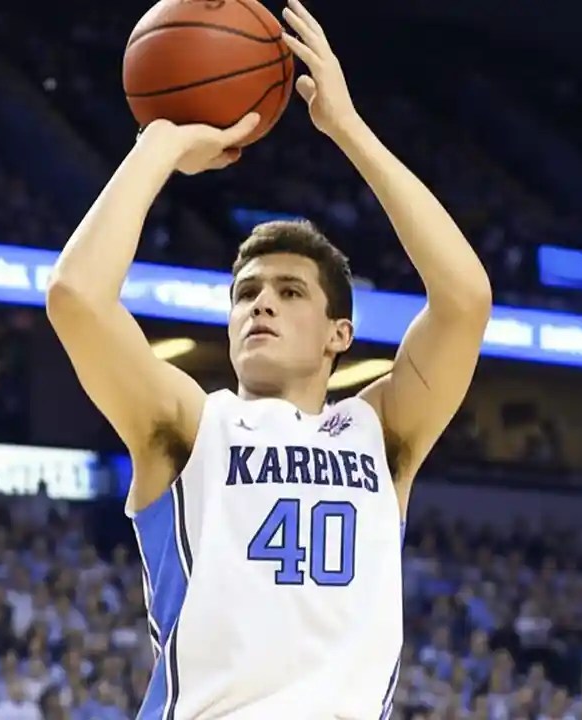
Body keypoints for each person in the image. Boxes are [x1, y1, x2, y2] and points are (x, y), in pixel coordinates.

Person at [45, 1, 491, 717]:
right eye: (246, 293)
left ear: (337, 334)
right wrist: (158, 144)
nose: (261, 305)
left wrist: (347, 128)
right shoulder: (192, 426)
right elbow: (76, 297)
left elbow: (465, 299)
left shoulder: (381, 431)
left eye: (289, 292)